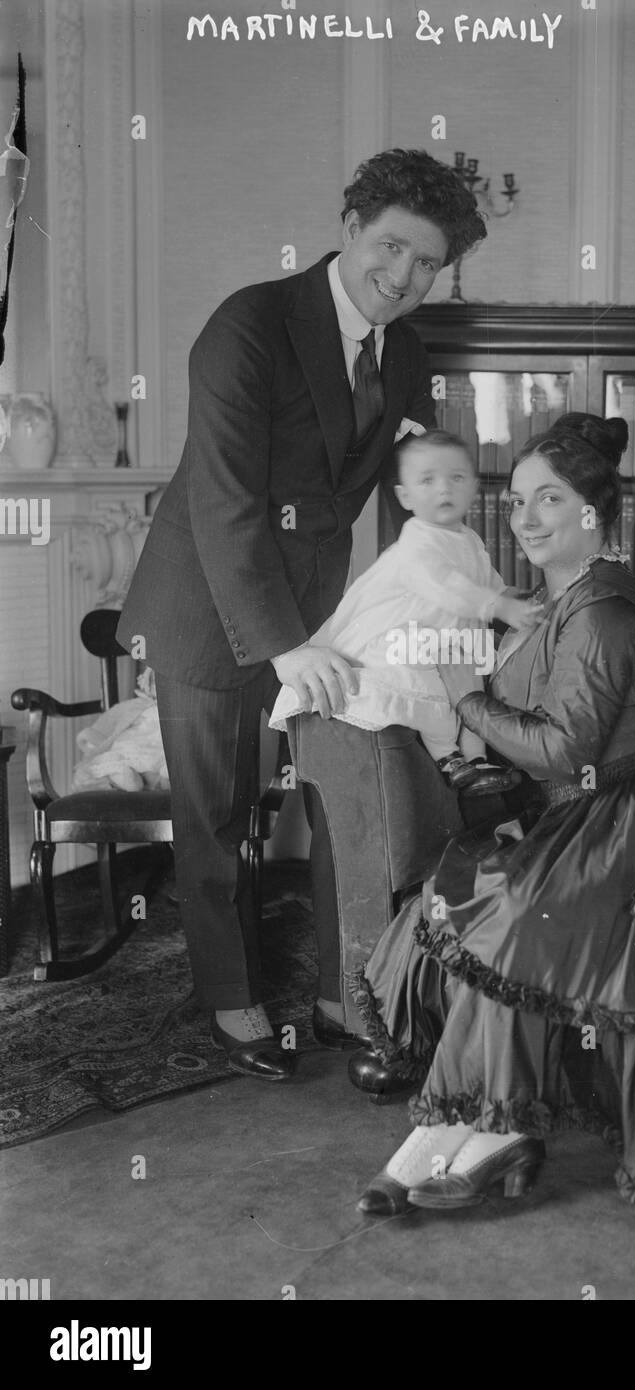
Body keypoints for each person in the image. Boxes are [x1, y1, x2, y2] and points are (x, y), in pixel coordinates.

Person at [349, 413, 635, 1211]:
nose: (523, 518)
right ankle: (460, 1133)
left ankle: (478, 1133)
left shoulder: (603, 612)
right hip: (589, 807)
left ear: (592, 515)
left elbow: (566, 750)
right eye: (519, 500)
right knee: (469, 896)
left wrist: (463, 695)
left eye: (549, 501)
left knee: (518, 918)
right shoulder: (558, 595)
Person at [117, 149, 486, 1079]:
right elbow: (227, 503)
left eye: (426, 264)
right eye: (392, 247)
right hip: (207, 602)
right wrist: (284, 646)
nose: (402, 277)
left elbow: (405, 490)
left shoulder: (404, 350)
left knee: (343, 789)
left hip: (314, 609)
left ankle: (341, 994)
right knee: (217, 811)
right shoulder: (249, 325)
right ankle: (230, 997)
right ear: (351, 224)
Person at [269, 429, 543, 795]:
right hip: (405, 634)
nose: (444, 489)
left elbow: (487, 583)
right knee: (428, 691)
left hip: (453, 635)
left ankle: (476, 761)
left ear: (474, 488)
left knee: (472, 686)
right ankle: (449, 758)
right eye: (428, 480)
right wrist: (498, 605)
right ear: (405, 495)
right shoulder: (418, 540)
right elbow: (443, 584)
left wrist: (512, 597)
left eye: (456, 478)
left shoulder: (471, 541)